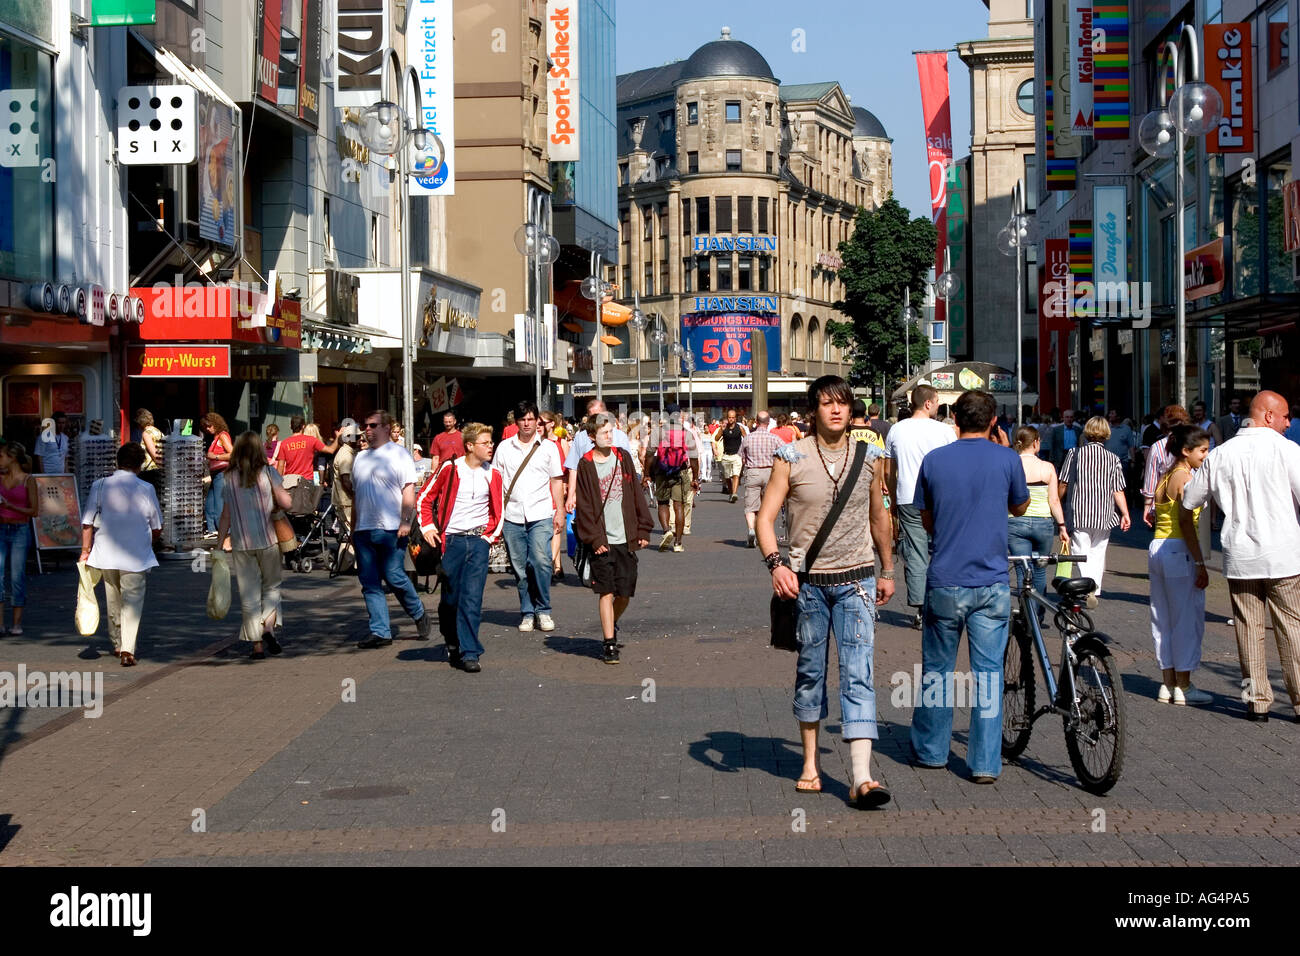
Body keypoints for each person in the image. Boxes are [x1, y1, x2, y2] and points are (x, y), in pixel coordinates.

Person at [756, 375, 896, 808]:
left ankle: (860, 778)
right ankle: (811, 764)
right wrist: (776, 564)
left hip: (857, 580)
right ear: (813, 410)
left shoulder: (871, 456)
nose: (835, 410)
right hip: (808, 586)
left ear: (851, 410)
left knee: (859, 675)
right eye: (826, 403)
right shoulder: (790, 456)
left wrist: (888, 568)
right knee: (811, 673)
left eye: (842, 403)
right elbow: (765, 519)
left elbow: (879, 516)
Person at [912, 390, 1029, 783]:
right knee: (989, 673)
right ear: (993, 420)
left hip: (946, 578)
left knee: (938, 671)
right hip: (992, 581)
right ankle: (983, 763)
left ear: (955, 419)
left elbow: (926, 520)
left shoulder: (934, 460)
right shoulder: (1008, 458)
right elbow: (1020, 506)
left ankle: (931, 751)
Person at [1183, 391, 1300, 722]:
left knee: (1249, 629)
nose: (1288, 422)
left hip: (1241, 556)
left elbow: (1191, 499)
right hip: (1285, 556)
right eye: (1285, 415)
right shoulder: (1288, 450)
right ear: (1267, 416)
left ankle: (1257, 701)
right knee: (1292, 628)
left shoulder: (1221, 454)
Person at [417, 423, 503, 673]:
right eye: (485, 443)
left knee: (472, 598)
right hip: (451, 542)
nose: (491, 447)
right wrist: (428, 528)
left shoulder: (493, 474)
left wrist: (489, 538)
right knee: (451, 599)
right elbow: (425, 497)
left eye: (491, 442)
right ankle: (452, 640)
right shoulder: (450, 468)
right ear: (470, 446)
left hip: (478, 542)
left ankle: (470, 652)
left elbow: (499, 509)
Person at [347, 411, 433, 650]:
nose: (368, 429)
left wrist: (406, 521)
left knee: (393, 574)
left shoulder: (399, 454)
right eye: (366, 425)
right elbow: (356, 497)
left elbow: (408, 490)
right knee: (369, 581)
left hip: (391, 527)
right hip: (364, 528)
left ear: (386, 427)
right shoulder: (360, 457)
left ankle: (418, 612)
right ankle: (380, 632)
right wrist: (353, 529)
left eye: (373, 425)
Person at [575, 414, 653, 664]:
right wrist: (594, 538)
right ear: (591, 437)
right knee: (606, 591)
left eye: (611, 432)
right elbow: (585, 506)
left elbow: (636, 495)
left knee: (625, 592)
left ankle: (613, 622)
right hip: (602, 539)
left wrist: (643, 528)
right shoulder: (586, 464)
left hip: (625, 536)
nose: (609, 436)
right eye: (604, 433)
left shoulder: (623, 457)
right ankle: (609, 644)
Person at [79, 442, 161, 666]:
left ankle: (117, 643)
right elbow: (157, 526)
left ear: (118, 461)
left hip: (106, 553)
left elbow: (87, 522)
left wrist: (85, 552)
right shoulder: (146, 488)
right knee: (132, 602)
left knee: (113, 600)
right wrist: (148, 540)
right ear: (140, 464)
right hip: (136, 554)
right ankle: (127, 649)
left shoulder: (100, 485)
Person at [1148, 425, 1212, 705]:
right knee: (1186, 618)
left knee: (1162, 619)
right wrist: (1199, 561)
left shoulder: (1166, 475)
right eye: (1202, 450)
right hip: (1178, 549)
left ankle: (1168, 683)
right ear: (1186, 451)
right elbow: (1186, 521)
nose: (1205, 455)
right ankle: (1183, 686)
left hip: (1158, 547)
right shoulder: (1186, 477)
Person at [883, 384, 955, 628]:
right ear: (927, 403)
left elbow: (889, 471)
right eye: (936, 402)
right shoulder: (944, 431)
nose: (937, 406)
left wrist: (892, 499)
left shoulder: (897, 430)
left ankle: (922, 609)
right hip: (940, 498)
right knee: (944, 549)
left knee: (915, 553)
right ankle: (944, 604)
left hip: (907, 497)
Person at [218, 432, 293, 660]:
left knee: (248, 595)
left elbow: (226, 515)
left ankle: (257, 646)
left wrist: (219, 544)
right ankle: (268, 628)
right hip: (268, 540)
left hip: (241, 543)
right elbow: (287, 503)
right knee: (271, 587)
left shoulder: (228, 477)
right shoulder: (269, 473)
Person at [493, 401, 564, 633]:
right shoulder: (504, 447)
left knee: (541, 561)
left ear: (537, 422)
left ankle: (543, 610)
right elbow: (496, 481)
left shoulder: (549, 448)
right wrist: (494, 513)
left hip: (541, 513)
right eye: (523, 419)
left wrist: (560, 511)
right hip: (512, 514)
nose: (527, 423)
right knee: (520, 568)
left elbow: (556, 481)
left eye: (531, 419)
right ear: (516, 423)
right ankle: (527, 611)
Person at [1059, 416, 1131, 603]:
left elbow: (1064, 483)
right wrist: (1125, 513)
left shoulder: (1074, 454)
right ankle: (1095, 589)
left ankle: (1085, 587)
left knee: (1080, 551)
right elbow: (1118, 490)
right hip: (1104, 513)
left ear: (1087, 432)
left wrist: (1056, 503)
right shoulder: (1113, 458)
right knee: (1098, 552)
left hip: (1080, 512)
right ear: (1107, 434)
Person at [1006, 426, 1068, 600]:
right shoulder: (1047, 467)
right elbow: (1054, 501)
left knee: (1022, 570)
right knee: (1040, 570)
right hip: (1043, 523)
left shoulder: (1011, 465)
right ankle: (1038, 614)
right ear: (1035, 442)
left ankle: (1027, 615)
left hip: (1015, 522)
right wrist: (1062, 526)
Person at [643, 404, 700, 553]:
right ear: (679, 415)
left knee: (662, 504)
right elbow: (694, 458)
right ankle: (678, 543)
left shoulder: (659, 432)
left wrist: (647, 474)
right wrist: (695, 478)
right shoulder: (686, 433)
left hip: (662, 472)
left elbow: (649, 455)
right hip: (680, 472)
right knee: (679, 505)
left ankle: (667, 530)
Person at [564, 399, 631, 512]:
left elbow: (628, 468)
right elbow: (573, 468)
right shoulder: (581, 437)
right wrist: (571, 495)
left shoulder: (620, 436)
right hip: (588, 495)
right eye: (592, 417)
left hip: (615, 496)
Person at [0, 442, 38, 634]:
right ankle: (0, 623)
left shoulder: (27, 480)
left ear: (12, 458)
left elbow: (34, 510)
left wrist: (10, 506)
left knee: (17, 576)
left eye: (2, 456)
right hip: (1, 528)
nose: (0, 460)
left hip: (20, 530)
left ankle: (16, 623)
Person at [737, 410, 785, 548]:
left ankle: (751, 530)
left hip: (753, 472)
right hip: (770, 472)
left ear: (756, 422)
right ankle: (766, 534)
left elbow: (741, 456)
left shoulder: (748, 438)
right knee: (768, 506)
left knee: (751, 506)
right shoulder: (774, 438)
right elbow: (786, 452)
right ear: (768, 423)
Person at [1141, 405, 1190, 526]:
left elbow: (1151, 480)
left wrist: (1148, 506)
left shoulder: (1157, 446)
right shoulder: (1193, 444)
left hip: (1165, 500)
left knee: (1166, 537)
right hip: (1190, 499)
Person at [274, 414, 338, 482]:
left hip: (290, 481)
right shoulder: (311, 440)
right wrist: (338, 436)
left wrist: (278, 484)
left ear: (290, 426)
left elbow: (280, 466)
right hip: (308, 481)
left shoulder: (284, 443)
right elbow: (331, 450)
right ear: (303, 426)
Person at [201, 413, 233, 538]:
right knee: (210, 503)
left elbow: (232, 453)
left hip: (222, 473)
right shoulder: (216, 437)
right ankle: (212, 529)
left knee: (219, 504)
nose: (208, 429)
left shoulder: (223, 436)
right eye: (206, 427)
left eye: (209, 426)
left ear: (216, 423)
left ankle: (224, 532)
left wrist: (216, 456)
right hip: (216, 474)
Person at [332, 420, 361, 532]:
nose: (359, 439)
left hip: (347, 502)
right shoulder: (345, 455)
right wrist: (356, 496)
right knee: (353, 533)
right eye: (356, 436)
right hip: (347, 503)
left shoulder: (349, 453)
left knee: (350, 535)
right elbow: (346, 481)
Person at [715, 409, 746, 501]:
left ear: (735, 418)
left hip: (737, 455)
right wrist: (721, 429)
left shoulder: (740, 428)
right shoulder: (724, 428)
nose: (731, 419)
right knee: (727, 477)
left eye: (733, 417)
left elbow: (747, 438)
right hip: (726, 456)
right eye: (729, 417)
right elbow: (716, 438)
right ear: (727, 418)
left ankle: (734, 494)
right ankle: (731, 492)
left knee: (736, 475)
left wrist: (745, 451)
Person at [136, 409, 165, 495]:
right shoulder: (158, 431)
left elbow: (155, 454)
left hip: (150, 473)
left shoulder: (146, 433)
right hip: (159, 471)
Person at [428, 411, 463, 475]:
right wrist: (433, 473)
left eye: (450, 422)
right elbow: (435, 458)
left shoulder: (462, 437)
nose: (448, 424)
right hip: (443, 471)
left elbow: (468, 456)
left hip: (459, 470)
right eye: (446, 422)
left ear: (455, 421)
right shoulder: (438, 438)